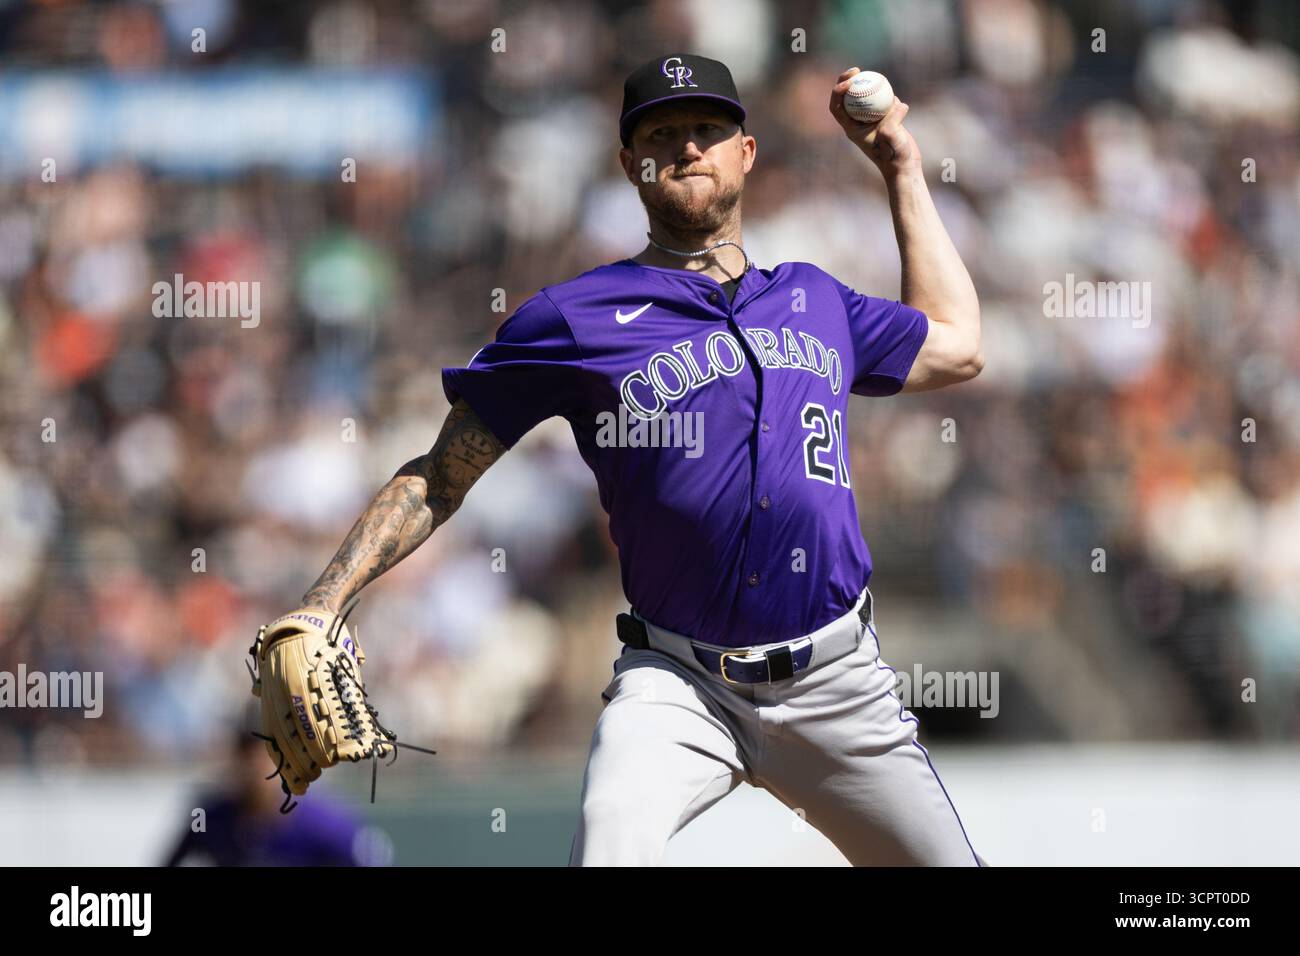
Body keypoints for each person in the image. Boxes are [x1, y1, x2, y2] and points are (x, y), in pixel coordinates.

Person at [279, 54, 985, 866]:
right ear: (630, 165)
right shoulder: (573, 319)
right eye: (662, 133)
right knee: (610, 845)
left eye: (708, 130)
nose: (688, 147)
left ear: (745, 153)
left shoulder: (816, 298)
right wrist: (327, 598)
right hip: (680, 685)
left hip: (839, 683)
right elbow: (440, 474)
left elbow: (959, 346)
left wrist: (899, 162)